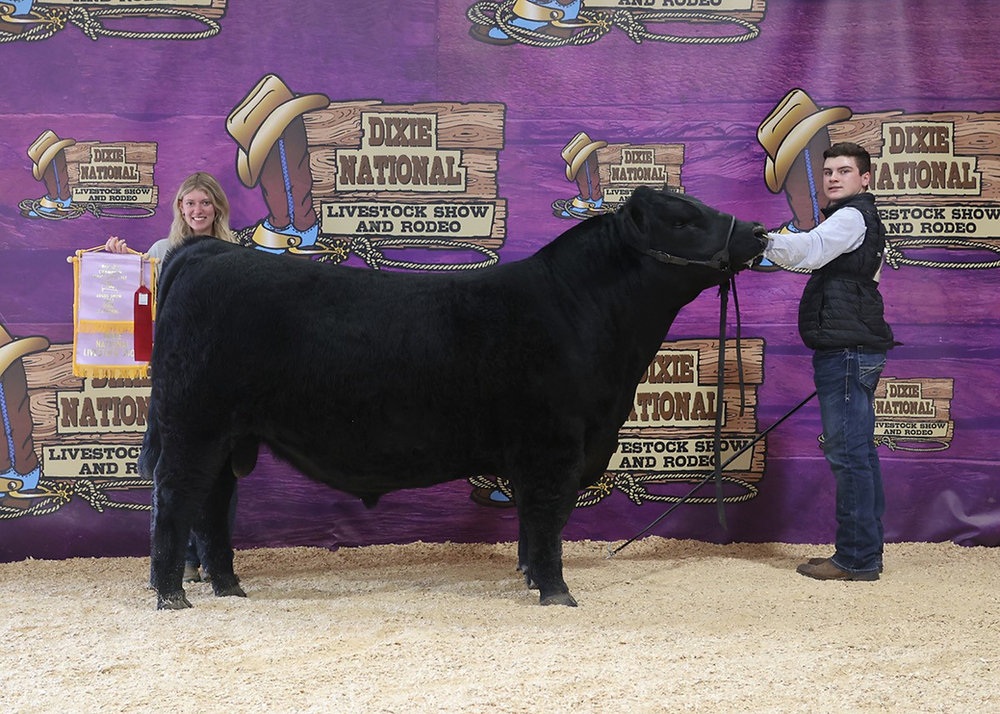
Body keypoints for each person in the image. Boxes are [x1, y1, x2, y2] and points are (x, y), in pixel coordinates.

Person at [761, 142, 896, 581]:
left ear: (865, 178)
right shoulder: (853, 218)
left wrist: (758, 240)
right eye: (828, 171)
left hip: (848, 351)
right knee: (859, 453)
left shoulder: (852, 217)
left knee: (848, 453)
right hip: (852, 349)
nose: (834, 177)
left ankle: (856, 559)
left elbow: (811, 251)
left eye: (844, 170)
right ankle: (863, 554)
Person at [105, 171, 240, 583]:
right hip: (176, 372)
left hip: (223, 374)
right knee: (174, 463)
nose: (197, 210)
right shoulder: (162, 251)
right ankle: (179, 556)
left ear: (217, 207)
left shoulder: (234, 252)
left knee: (221, 465)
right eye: (190, 203)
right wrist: (123, 262)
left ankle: (211, 554)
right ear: (180, 208)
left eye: (205, 202)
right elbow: (138, 300)